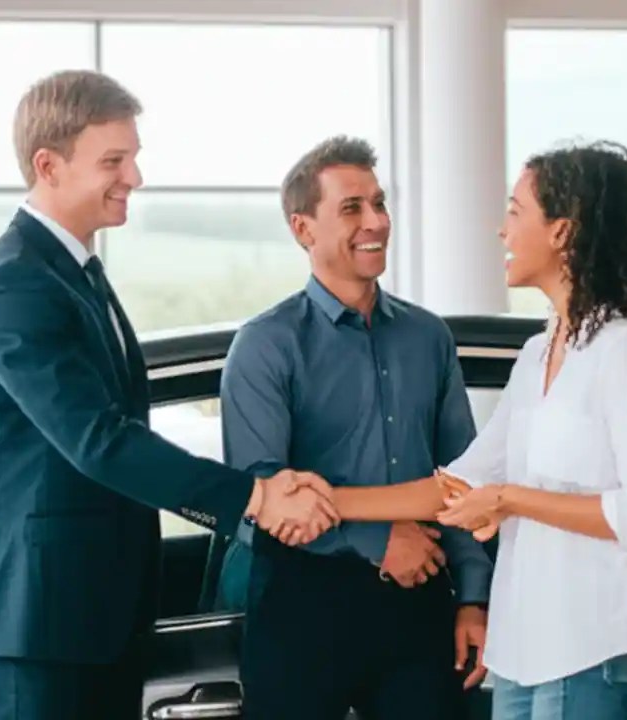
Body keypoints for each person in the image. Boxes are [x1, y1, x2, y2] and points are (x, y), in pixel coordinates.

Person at [0, 69, 339, 720]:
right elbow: (99, 442)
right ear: (49, 165)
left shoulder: (72, 274)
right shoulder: (14, 287)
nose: (134, 176)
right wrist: (255, 497)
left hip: (90, 620)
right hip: (37, 625)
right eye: (114, 160)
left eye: (133, 157)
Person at [335, 140, 627, 720]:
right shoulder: (537, 352)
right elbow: (456, 485)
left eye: (516, 211)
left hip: (588, 654)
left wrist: (510, 499)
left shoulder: (624, 351)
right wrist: (327, 501)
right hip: (521, 655)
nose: (502, 231)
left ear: (563, 232)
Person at [217, 135, 494, 720]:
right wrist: (379, 541)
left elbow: (466, 478)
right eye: (352, 208)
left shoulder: (428, 337)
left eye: (379, 203)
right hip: (301, 611)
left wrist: (473, 598)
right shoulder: (266, 346)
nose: (376, 221)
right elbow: (256, 495)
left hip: (419, 605)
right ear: (303, 228)